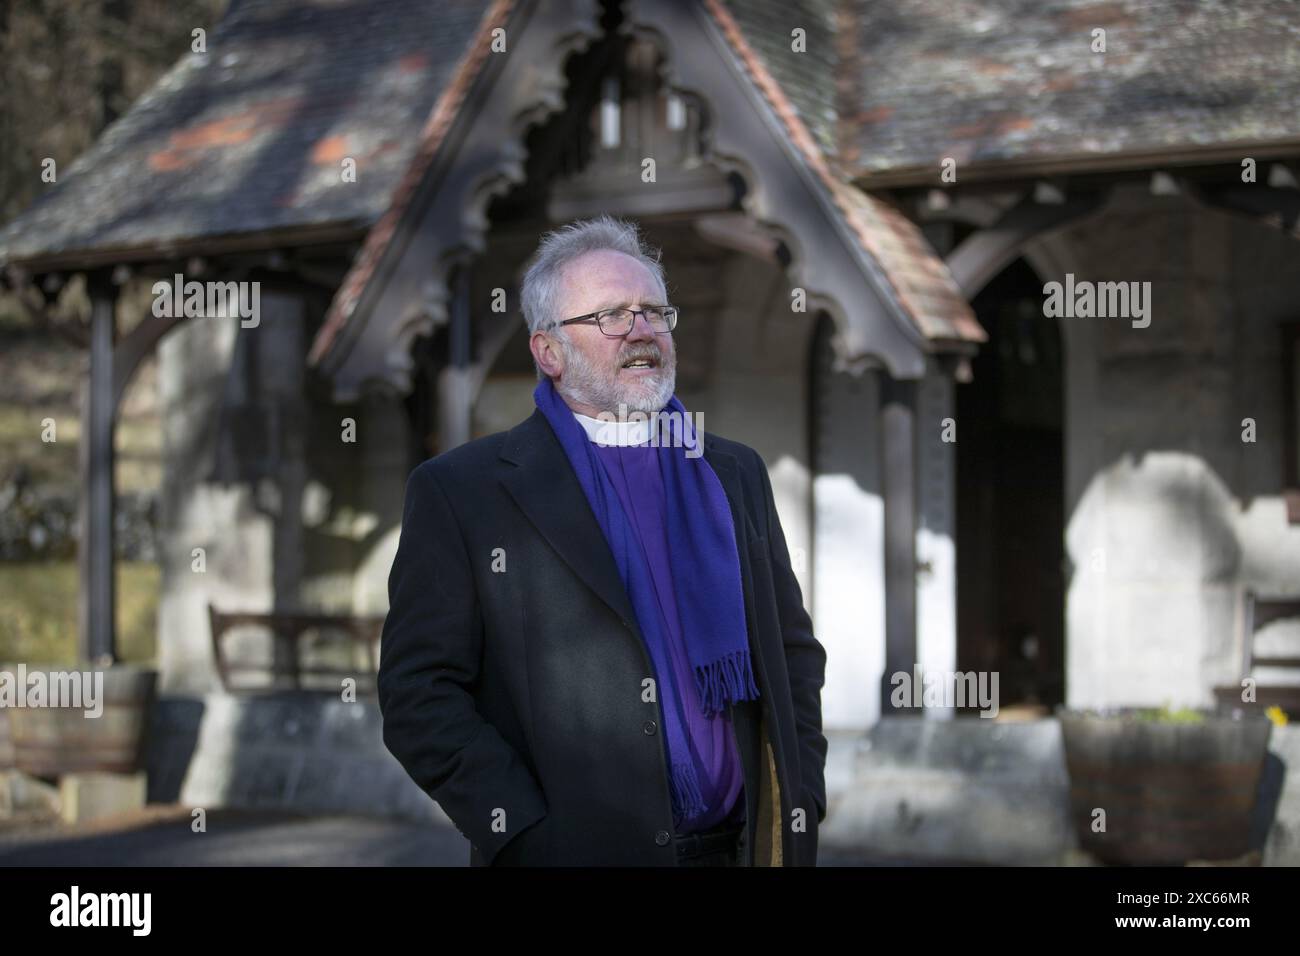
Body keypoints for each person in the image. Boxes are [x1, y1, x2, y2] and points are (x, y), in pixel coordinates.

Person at [377, 215, 827, 866]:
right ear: (549, 352)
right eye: (611, 316)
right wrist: (523, 833)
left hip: (739, 850)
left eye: (654, 312)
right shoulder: (463, 491)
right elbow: (418, 694)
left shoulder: (733, 472)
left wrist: (802, 796)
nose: (642, 330)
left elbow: (791, 653)